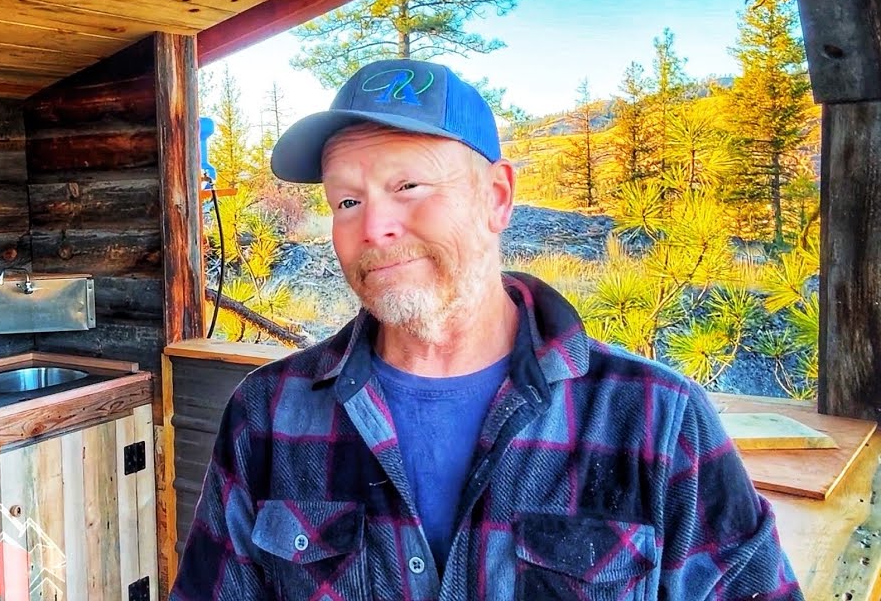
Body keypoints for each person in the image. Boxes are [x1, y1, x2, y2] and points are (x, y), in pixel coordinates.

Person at [168, 58, 802, 600]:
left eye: (408, 185)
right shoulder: (268, 414)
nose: (373, 227)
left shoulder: (657, 420)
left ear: (497, 197)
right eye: (347, 201)